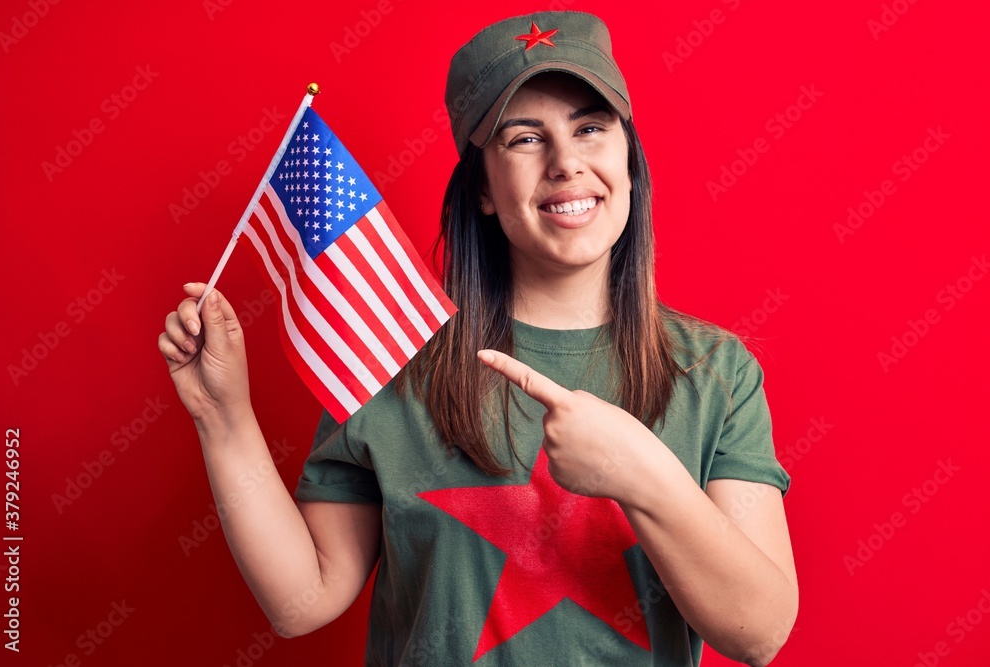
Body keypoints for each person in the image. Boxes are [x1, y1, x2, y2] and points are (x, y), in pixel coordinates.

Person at [158, 11, 797, 666]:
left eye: (591, 128)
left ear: (628, 160)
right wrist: (222, 416)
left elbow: (759, 632)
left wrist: (644, 475)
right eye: (524, 139)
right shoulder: (390, 358)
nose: (566, 163)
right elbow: (303, 600)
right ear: (485, 190)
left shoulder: (718, 371)